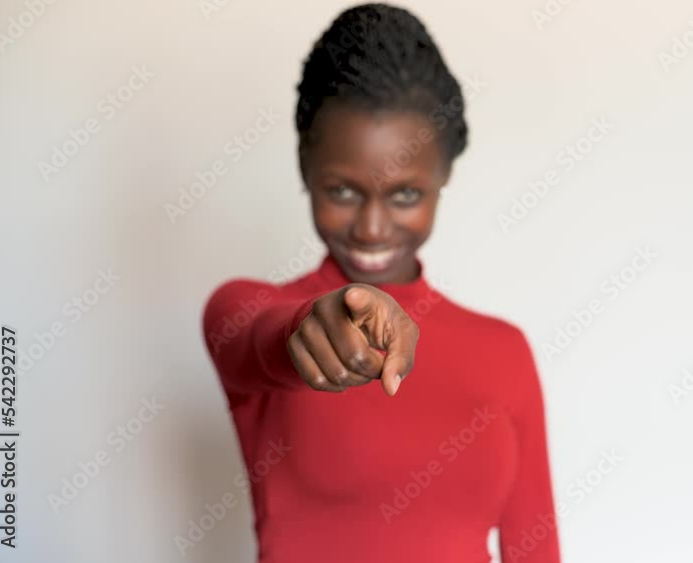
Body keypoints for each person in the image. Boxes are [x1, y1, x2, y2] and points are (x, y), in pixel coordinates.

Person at [201, 3, 561, 562]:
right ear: (304, 167)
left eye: (405, 194)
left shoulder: (504, 352)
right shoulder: (246, 312)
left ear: (443, 175)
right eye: (343, 190)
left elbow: (536, 551)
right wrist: (312, 323)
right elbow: (259, 339)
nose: (371, 228)